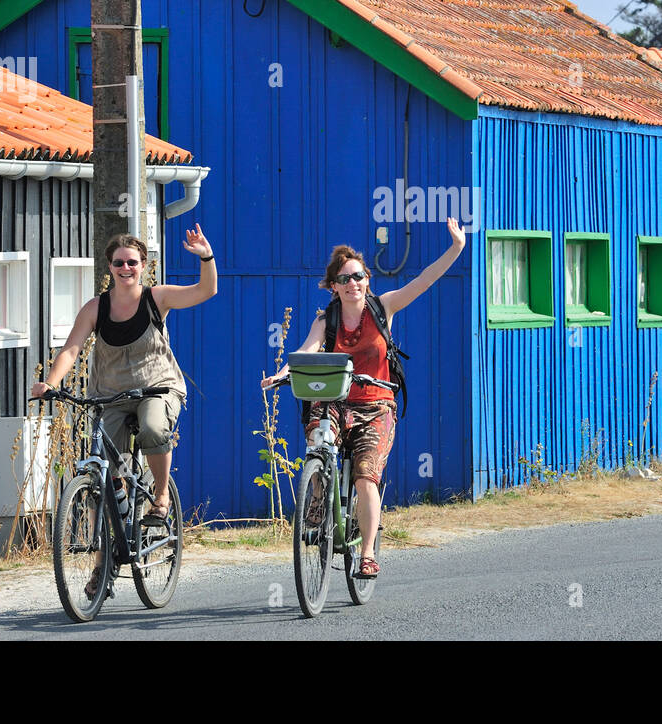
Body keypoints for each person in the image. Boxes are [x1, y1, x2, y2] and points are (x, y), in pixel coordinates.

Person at [262, 217, 465, 578]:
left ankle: (368, 553)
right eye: (345, 278)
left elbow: (424, 281)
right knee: (318, 442)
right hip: (335, 402)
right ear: (333, 286)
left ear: (367, 281)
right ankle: (318, 499)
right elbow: (307, 351)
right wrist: (283, 373)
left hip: (376, 405)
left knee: (365, 475)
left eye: (358, 277)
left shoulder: (382, 308)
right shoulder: (326, 320)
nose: (353, 283)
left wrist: (456, 247)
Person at [33, 225, 216, 554]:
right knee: (103, 468)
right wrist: (51, 383)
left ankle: (160, 498)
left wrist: (206, 257)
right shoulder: (95, 308)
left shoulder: (157, 298)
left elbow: (205, 291)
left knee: (152, 428)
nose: (125, 269)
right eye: (119, 263)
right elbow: (71, 350)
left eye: (132, 262)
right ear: (110, 267)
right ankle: (105, 559)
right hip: (111, 395)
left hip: (157, 389)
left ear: (143, 265)